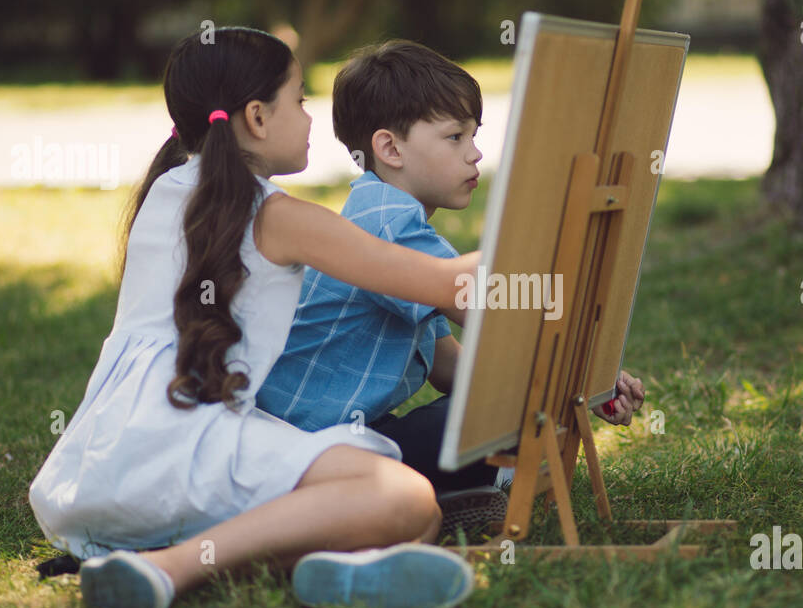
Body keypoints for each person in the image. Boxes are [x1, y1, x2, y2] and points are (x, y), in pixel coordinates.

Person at [27, 27, 483, 608]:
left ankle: (317, 568)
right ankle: (170, 568)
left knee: (415, 514)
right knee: (403, 498)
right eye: (299, 99)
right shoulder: (280, 216)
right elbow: (449, 286)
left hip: (99, 463)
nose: (311, 117)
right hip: (185, 449)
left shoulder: (167, 191)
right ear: (258, 118)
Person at [254, 40, 646, 542]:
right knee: (477, 421)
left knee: (490, 406)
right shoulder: (385, 221)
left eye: (474, 135)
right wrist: (584, 374)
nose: (476, 153)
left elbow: (447, 366)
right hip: (310, 452)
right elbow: (500, 316)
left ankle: (463, 491)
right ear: (390, 149)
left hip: (345, 441)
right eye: (455, 137)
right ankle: (459, 491)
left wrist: (569, 388)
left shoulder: (396, 222)